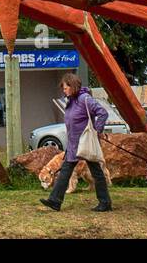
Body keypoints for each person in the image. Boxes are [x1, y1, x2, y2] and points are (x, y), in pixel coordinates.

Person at [39, 72, 112, 212]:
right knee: (65, 171)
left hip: (86, 144)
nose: (64, 89)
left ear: (72, 86)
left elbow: (102, 113)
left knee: (96, 172)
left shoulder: (85, 99)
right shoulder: (71, 101)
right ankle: (55, 201)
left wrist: (97, 130)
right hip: (73, 145)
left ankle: (105, 202)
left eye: (65, 87)